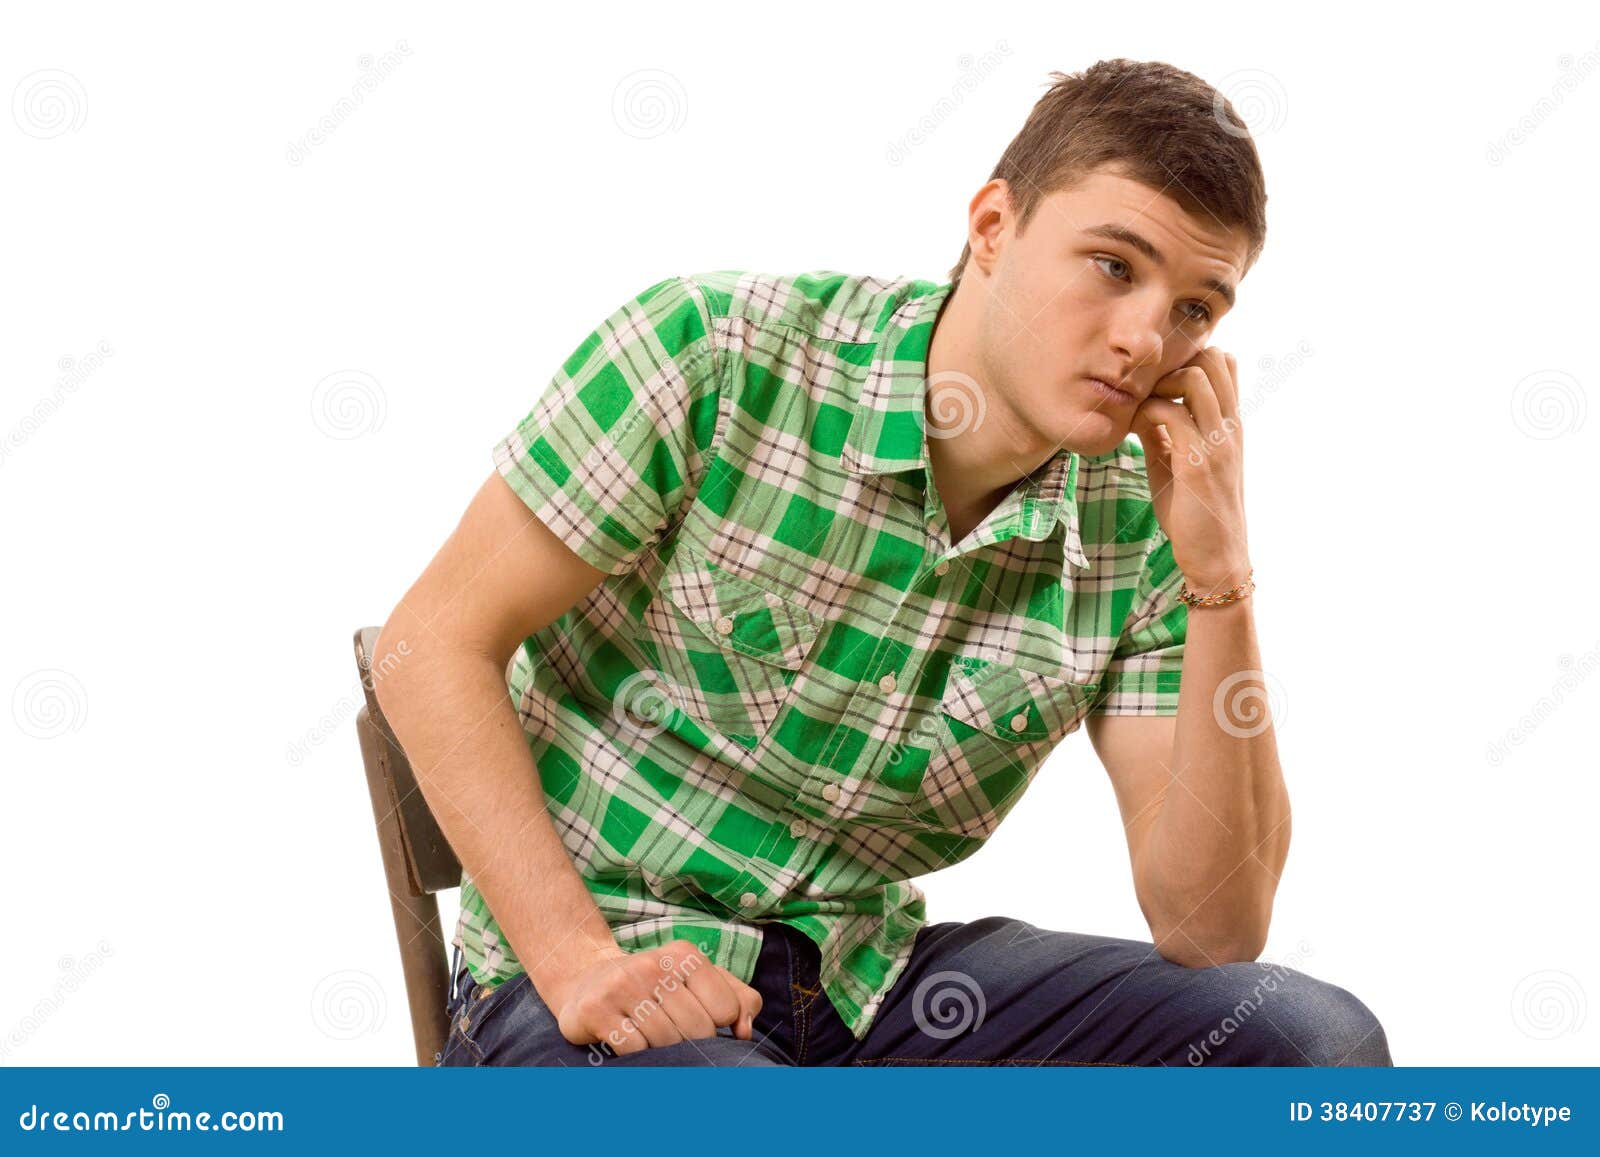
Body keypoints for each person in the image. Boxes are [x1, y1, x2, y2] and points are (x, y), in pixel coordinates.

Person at [374, 57, 1391, 1067]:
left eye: (1194, 310)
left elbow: (1209, 927)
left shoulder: (1143, 524)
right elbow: (430, 645)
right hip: (597, 987)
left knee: (1312, 1045)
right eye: (1115, 266)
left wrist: (1220, 574)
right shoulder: (719, 354)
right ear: (993, 226)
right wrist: (576, 959)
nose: (1143, 339)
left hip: (868, 994)